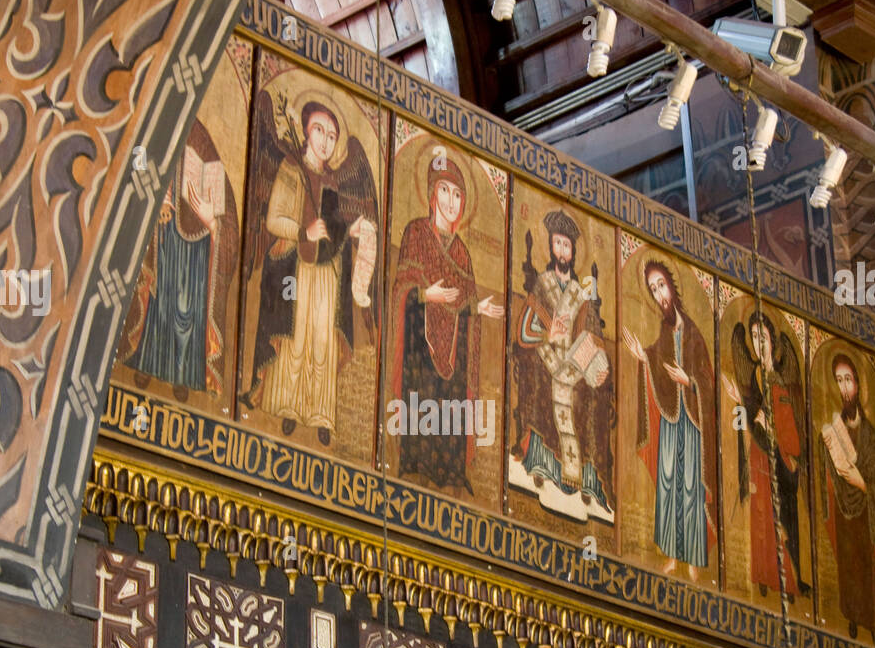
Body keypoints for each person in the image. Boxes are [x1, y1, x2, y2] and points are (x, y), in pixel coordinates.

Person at [243, 97, 377, 447]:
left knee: (322, 341)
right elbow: (274, 220)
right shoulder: (290, 169)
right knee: (294, 337)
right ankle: (286, 406)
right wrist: (304, 232)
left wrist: (350, 232)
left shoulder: (332, 182)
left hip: (326, 276)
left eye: (332, 135)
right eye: (319, 129)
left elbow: (333, 232)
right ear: (305, 130)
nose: (326, 140)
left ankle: (320, 413)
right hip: (293, 270)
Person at [388, 155, 502, 492]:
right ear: (431, 193)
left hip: (454, 345)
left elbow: (462, 300)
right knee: (421, 396)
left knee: (451, 401)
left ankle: (452, 471)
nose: (451, 202)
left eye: (458, 195)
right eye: (445, 191)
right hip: (419, 341)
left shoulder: (463, 253)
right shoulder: (415, 232)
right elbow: (401, 289)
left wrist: (475, 308)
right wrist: (425, 296)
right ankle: (414, 463)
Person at [508, 210, 613, 523]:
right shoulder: (542, 285)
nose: (562, 251)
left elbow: (594, 336)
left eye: (567, 246)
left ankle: (589, 483)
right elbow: (523, 332)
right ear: (551, 248)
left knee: (593, 397)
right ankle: (540, 464)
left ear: (573, 251)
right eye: (557, 244)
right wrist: (547, 334)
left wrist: (598, 364)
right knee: (541, 382)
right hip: (545, 358)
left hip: (576, 366)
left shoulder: (582, 295)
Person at [120, 121, 237, 401]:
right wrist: (158, 198)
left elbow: (223, 199)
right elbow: (136, 163)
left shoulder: (201, 137)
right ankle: (146, 362)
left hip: (195, 245)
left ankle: (184, 374)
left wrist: (212, 221)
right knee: (160, 301)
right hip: (163, 231)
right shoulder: (156, 118)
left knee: (187, 306)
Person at [622, 261, 714, 578]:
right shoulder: (664, 334)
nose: (659, 293)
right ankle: (674, 554)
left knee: (690, 484)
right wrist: (644, 357)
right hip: (671, 422)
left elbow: (707, 381)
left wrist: (690, 381)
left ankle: (693, 556)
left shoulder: (694, 335)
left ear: (672, 287)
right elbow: (658, 365)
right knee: (669, 483)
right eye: (653, 289)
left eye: (661, 285)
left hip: (692, 423)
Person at [723, 312, 809, 600]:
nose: (759, 344)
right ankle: (764, 576)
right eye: (755, 338)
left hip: (785, 461)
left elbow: (791, 421)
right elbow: (751, 415)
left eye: (764, 338)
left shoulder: (782, 377)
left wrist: (775, 429)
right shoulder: (756, 376)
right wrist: (739, 400)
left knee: (784, 520)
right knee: (762, 519)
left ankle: (791, 579)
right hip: (761, 454)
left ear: (773, 341)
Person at [820, 353, 875, 646]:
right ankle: (850, 617)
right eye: (839, 380)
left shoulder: (869, 434)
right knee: (848, 569)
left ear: (858, 385)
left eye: (848, 379)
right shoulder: (835, 427)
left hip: (865, 513)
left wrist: (863, 483)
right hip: (844, 512)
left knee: (867, 569)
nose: (844, 387)